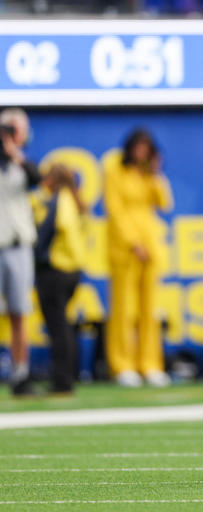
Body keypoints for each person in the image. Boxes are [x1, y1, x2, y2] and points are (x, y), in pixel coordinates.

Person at [104, 129, 174, 387]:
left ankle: (150, 364)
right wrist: (133, 242)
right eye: (139, 146)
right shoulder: (113, 166)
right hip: (125, 248)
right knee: (123, 308)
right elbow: (115, 208)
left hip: (151, 246)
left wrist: (156, 173)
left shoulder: (148, 173)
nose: (142, 152)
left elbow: (165, 203)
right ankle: (122, 365)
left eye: (147, 148)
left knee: (149, 310)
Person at [29, 163, 86, 394]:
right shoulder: (74, 199)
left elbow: (54, 227)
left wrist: (38, 252)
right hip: (73, 269)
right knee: (63, 325)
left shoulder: (59, 200)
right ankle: (66, 377)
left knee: (58, 327)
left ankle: (63, 380)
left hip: (56, 268)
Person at [0, 107, 40, 396]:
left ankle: (20, 374)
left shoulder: (19, 163)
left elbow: (36, 178)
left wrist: (14, 152)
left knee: (18, 313)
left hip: (17, 245)